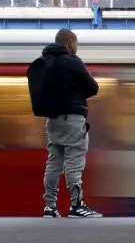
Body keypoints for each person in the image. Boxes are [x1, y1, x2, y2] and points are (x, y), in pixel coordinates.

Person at [27, 29, 102, 218]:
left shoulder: (44, 63)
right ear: (69, 43)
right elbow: (93, 87)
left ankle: (49, 207)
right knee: (74, 163)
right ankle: (77, 206)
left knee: (53, 163)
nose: (76, 48)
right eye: (76, 44)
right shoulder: (72, 61)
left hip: (52, 121)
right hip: (73, 119)